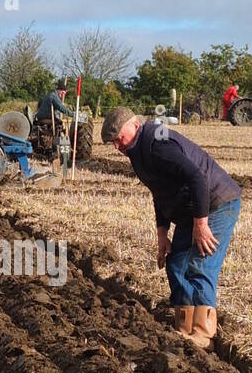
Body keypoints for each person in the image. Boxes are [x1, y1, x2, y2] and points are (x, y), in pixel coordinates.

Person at [101, 106, 242, 349]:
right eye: (112, 143)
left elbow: (197, 177)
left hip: (216, 203)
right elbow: (159, 192)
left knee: (200, 263)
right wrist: (162, 234)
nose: (117, 147)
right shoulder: (137, 152)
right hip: (188, 210)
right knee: (176, 264)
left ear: (135, 125)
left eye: (118, 139)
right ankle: (184, 326)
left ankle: (203, 333)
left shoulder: (158, 144)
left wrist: (201, 223)